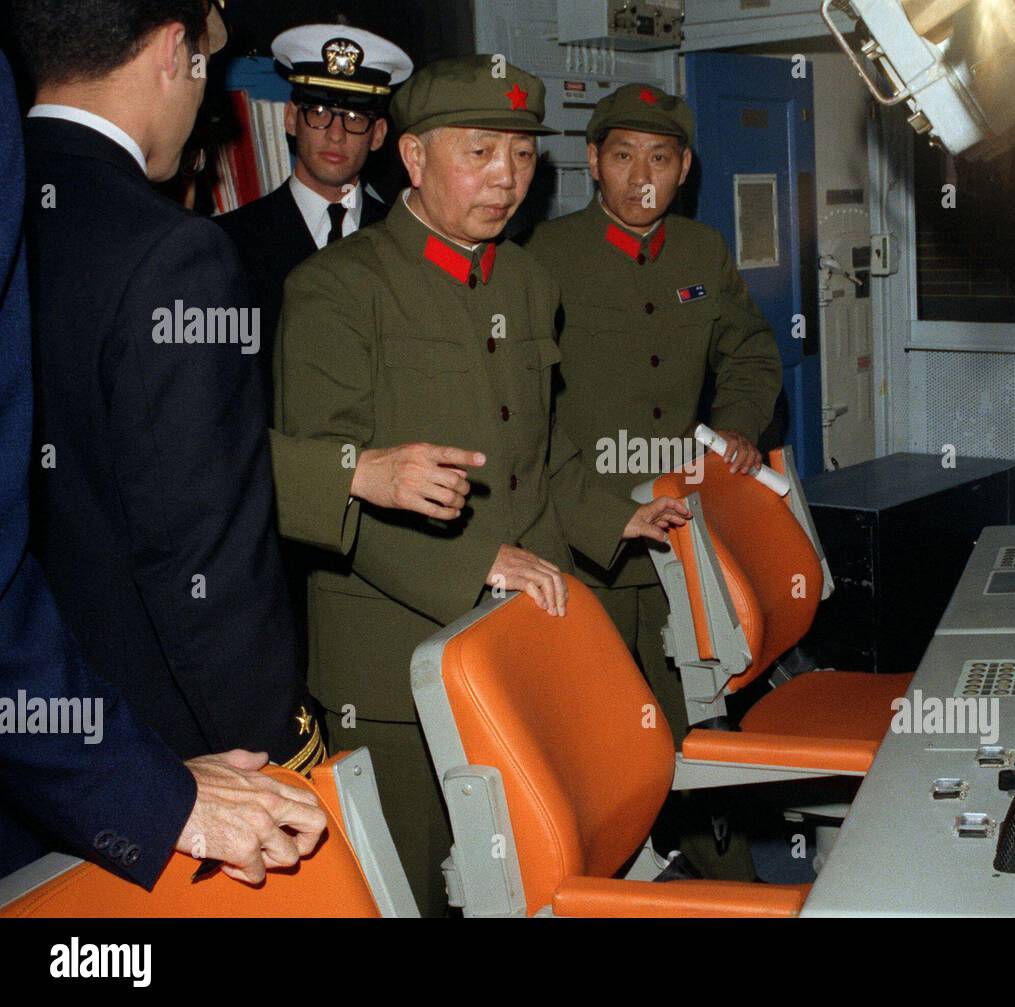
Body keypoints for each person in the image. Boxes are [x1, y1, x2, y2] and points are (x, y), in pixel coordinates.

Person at [273, 55, 690, 915]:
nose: (507, 180)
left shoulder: (531, 282)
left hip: (522, 643)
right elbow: (321, 479)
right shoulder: (337, 289)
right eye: (481, 153)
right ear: (414, 158)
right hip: (395, 663)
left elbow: (544, 457)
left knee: (532, 872)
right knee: (420, 886)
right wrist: (477, 562)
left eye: (524, 157)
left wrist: (623, 515)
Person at [0, 43, 327, 891]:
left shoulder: (23, 201)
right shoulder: (171, 254)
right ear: (176, 51)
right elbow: (205, 562)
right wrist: (290, 749)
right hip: (171, 772)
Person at [523, 83, 783, 744]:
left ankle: (703, 838)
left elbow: (749, 348)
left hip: (681, 526)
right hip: (584, 537)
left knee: (695, 706)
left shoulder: (702, 252)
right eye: (623, 157)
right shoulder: (542, 258)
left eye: (660, 160)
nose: (641, 179)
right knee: (599, 726)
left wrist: (736, 427)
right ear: (592, 160)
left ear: (684, 168)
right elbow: (521, 406)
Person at [216, 23, 412, 359]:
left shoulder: (405, 241)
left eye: (354, 117)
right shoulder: (230, 244)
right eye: (319, 113)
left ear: (378, 134)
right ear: (291, 118)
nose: (336, 135)